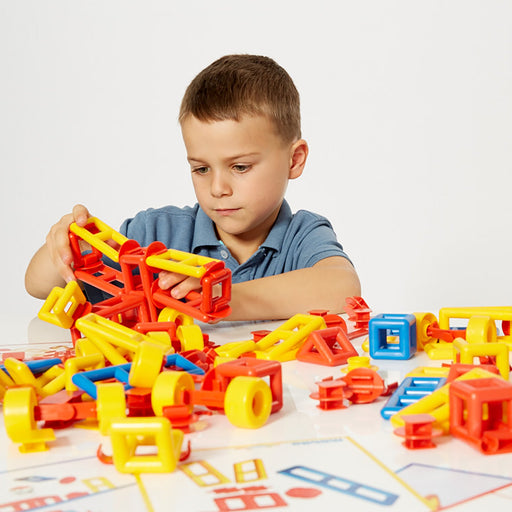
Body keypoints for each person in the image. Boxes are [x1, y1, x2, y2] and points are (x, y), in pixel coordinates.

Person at [25, 54, 361, 321]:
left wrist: (220, 296)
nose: (217, 188)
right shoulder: (157, 232)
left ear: (294, 160)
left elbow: (343, 287)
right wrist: (68, 244)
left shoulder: (302, 235)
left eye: (240, 167)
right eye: (201, 169)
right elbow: (37, 284)